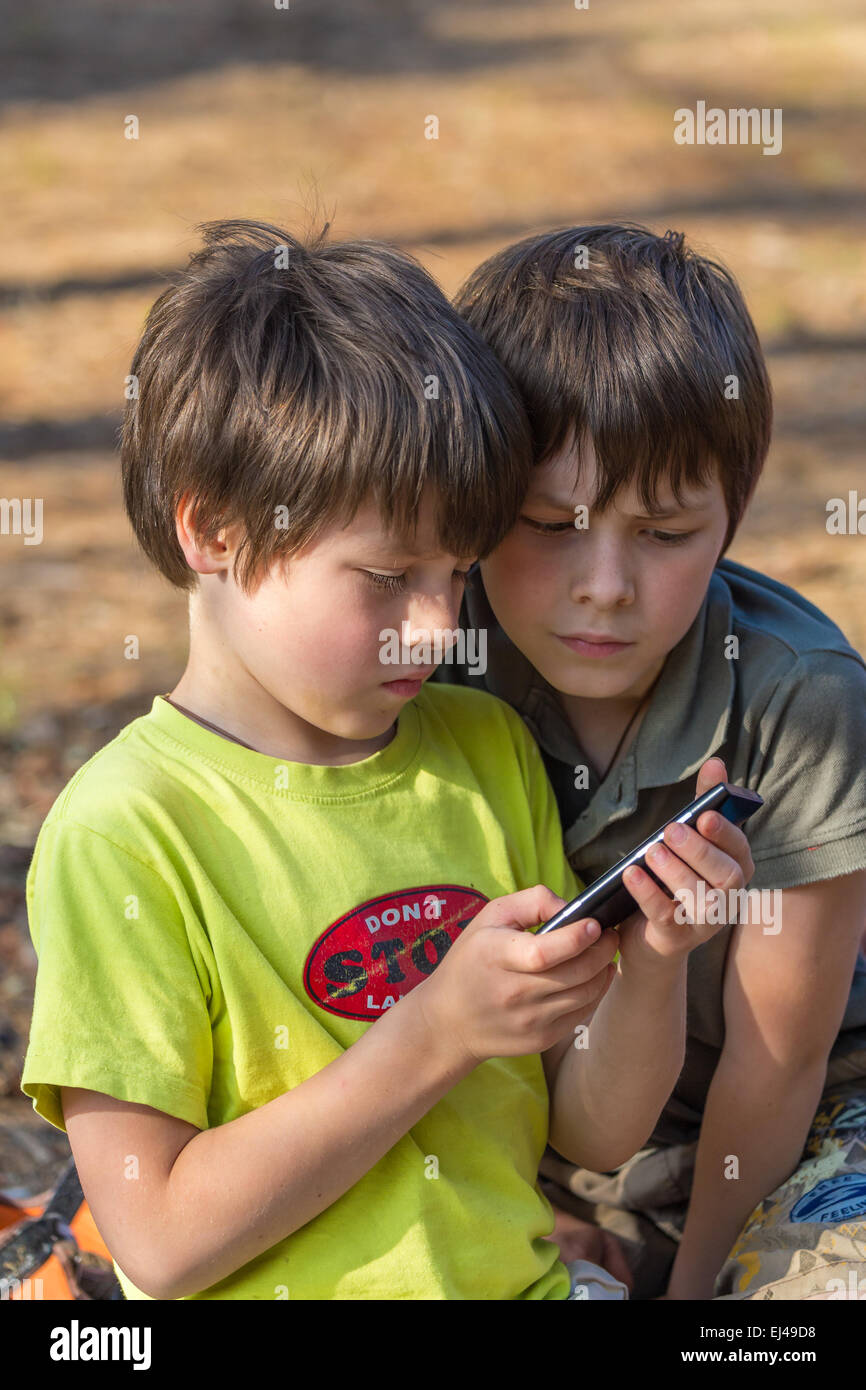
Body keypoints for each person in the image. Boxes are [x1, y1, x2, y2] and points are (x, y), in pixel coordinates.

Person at [19, 218, 751, 1301]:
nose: (433, 626)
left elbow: (589, 1128)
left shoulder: (481, 748)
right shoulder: (128, 831)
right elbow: (161, 1243)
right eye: (384, 576)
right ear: (213, 530)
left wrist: (648, 961)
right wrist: (431, 1036)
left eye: (454, 573)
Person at [434, 223, 866, 1300]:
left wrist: (694, 1294)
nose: (605, 586)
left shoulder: (799, 699)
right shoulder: (421, 666)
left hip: (807, 1130)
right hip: (542, 1149)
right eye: (547, 523)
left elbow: (778, 1065)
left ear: (732, 520)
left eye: (667, 533)